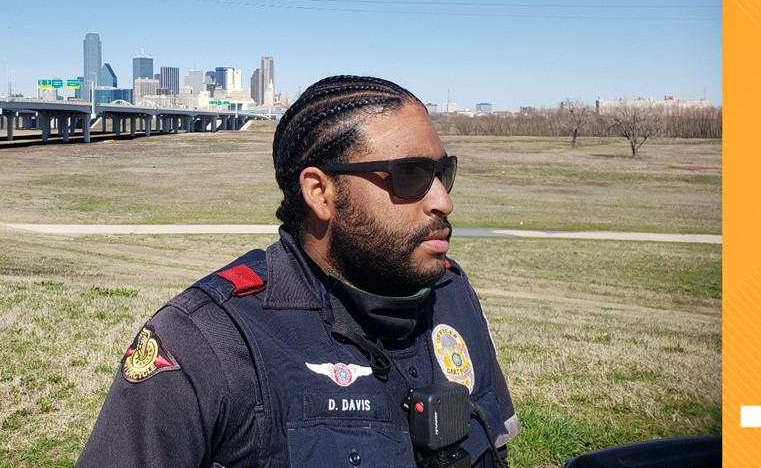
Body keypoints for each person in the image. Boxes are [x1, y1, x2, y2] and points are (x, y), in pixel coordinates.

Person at [76, 75, 519, 468]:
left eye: (443, 172)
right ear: (320, 193)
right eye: (413, 174)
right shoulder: (208, 342)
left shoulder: (450, 292)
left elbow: (497, 445)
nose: (443, 201)